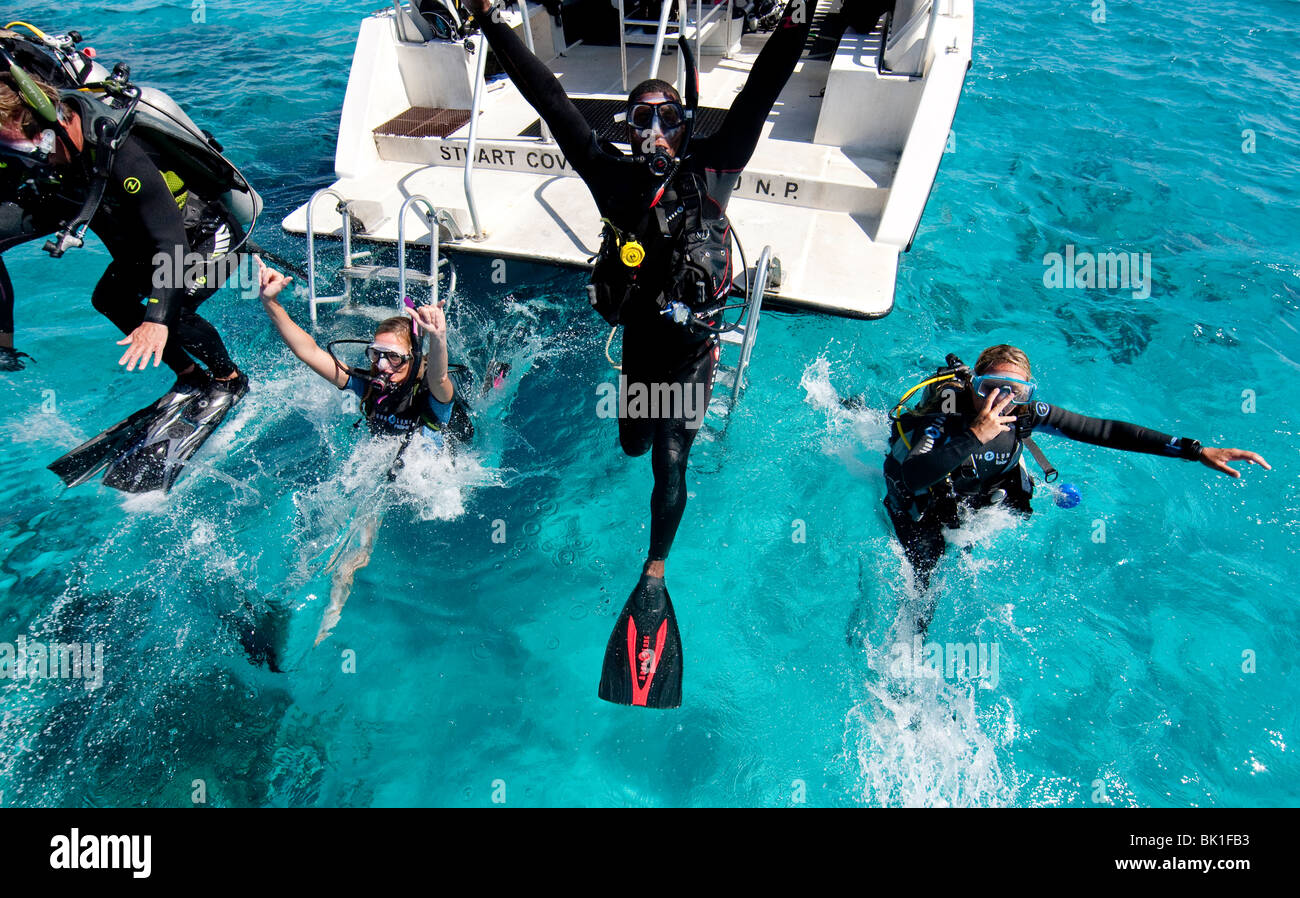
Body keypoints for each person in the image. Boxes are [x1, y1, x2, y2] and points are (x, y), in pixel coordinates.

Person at [470, 0, 818, 708]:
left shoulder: (715, 169)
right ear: (628, 130)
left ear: (687, 123)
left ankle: (655, 570)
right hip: (639, 344)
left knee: (668, 458)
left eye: (668, 116)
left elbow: (761, 91)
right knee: (632, 445)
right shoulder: (611, 179)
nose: (656, 129)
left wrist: (792, 26)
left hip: (691, 352)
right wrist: (491, 23)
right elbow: (550, 97)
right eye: (641, 118)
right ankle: (644, 473)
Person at [883, 344, 1271, 630]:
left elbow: (1106, 430)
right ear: (973, 387)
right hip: (927, 494)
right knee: (922, 584)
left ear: (1026, 394)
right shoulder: (943, 417)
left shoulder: (1026, 416)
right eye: (990, 388)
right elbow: (913, 476)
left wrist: (1195, 449)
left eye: (1014, 392)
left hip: (979, 492)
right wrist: (973, 435)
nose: (1001, 401)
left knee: (1006, 507)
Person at [257, 259, 467, 645]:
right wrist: (271, 304)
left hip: (429, 462)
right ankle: (307, 604)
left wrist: (439, 338)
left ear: (413, 359)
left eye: (394, 358)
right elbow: (309, 352)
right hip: (386, 462)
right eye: (375, 354)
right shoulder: (368, 385)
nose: (382, 366)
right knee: (335, 534)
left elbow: (438, 377)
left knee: (357, 550)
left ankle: (331, 616)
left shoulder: (432, 397)